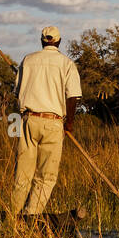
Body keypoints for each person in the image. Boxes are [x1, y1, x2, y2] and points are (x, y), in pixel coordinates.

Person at [9, 25, 82, 216]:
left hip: (29, 120)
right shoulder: (67, 64)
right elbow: (73, 96)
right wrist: (70, 124)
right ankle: (30, 216)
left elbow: (17, 92)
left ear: (42, 41)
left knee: (22, 174)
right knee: (46, 177)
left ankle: (13, 216)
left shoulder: (27, 60)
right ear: (58, 41)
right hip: (53, 122)